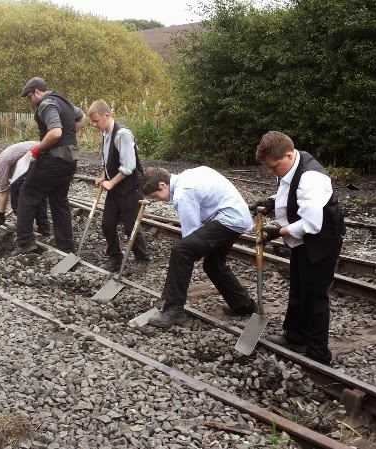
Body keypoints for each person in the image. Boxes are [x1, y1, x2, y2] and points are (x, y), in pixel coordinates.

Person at [253, 131, 344, 366]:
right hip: (303, 241)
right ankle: (295, 335)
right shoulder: (291, 165)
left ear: (289, 155)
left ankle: (318, 354)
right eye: (268, 168)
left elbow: (311, 224)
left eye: (274, 167)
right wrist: (271, 203)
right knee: (299, 286)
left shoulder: (311, 178)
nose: (272, 172)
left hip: (322, 240)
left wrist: (278, 231)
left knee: (315, 295)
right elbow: (288, 191)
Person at [141, 166, 257, 328]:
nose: (159, 199)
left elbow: (190, 234)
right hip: (235, 216)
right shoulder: (185, 176)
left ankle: (174, 309)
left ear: (162, 185)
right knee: (213, 264)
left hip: (228, 218)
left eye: (156, 195)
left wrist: (186, 257)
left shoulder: (182, 193)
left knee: (181, 251)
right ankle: (242, 305)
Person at [14, 76, 85, 256]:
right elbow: (81, 117)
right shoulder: (64, 102)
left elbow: (55, 132)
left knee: (27, 191)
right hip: (70, 160)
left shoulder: (46, 104)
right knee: (58, 200)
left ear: (36, 92)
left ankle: (25, 242)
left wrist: (38, 149)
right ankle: (65, 247)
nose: (30, 101)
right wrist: (68, 135)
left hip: (54, 160)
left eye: (29, 97)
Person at [88, 99, 149, 274]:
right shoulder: (105, 133)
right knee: (107, 224)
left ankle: (142, 259)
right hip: (115, 190)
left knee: (131, 226)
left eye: (96, 120)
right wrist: (103, 177)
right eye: (92, 121)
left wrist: (111, 182)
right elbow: (106, 160)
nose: (94, 124)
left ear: (107, 115)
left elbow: (129, 166)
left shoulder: (122, 134)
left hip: (131, 189)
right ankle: (115, 258)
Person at [0, 141, 51, 236]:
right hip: (45, 156)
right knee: (37, 194)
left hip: (38, 155)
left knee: (16, 187)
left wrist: (1, 215)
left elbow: (3, 191)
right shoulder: (5, 158)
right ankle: (44, 229)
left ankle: (22, 224)